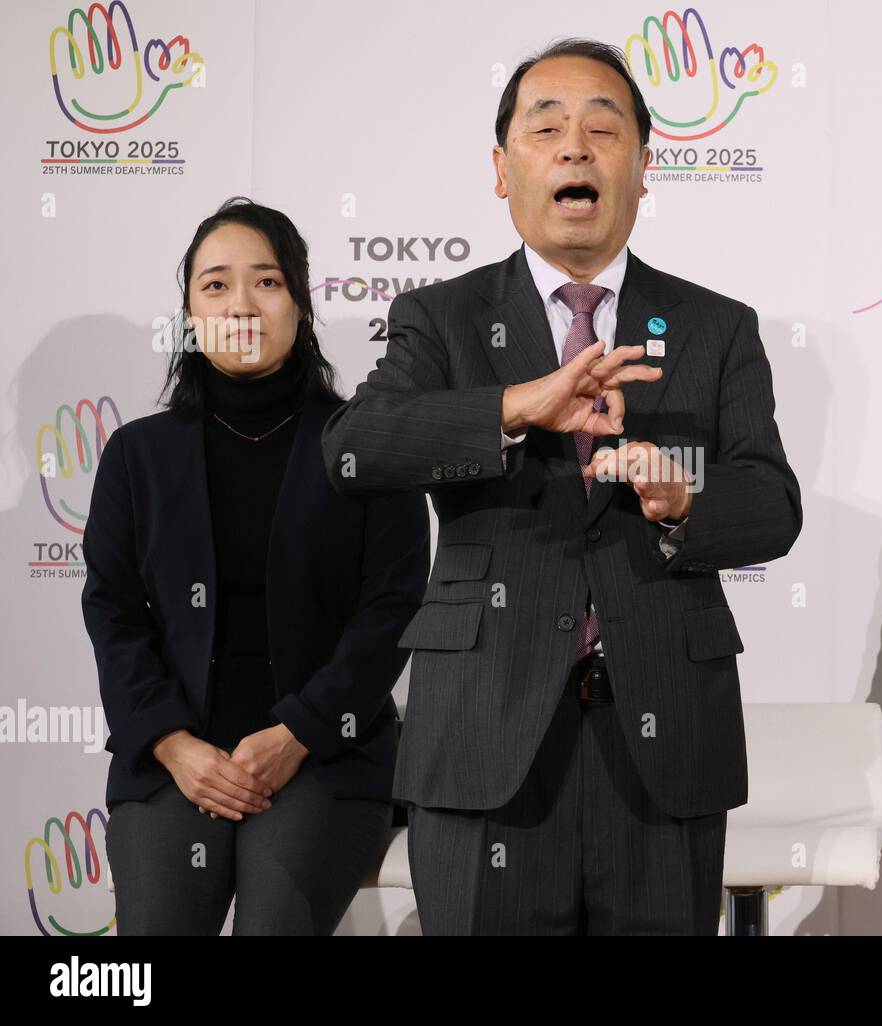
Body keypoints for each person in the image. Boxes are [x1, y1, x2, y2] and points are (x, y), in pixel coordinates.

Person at [321, 38, 801, 935]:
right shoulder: (440, 317)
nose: (575, 147)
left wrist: (681, 497)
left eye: (602, 128)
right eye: (546, 128)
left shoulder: (716, 326)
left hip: (662, 741)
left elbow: (772, 503)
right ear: (503, 170)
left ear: (644, 169)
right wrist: (515, 405)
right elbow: (357, 448)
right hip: (484, 737)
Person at [82, 197, 430, 935]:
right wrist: (174, 745)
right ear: (187, 312)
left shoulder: (366, 445)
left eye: (266, 282)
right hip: (175, 755)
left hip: (326, 754)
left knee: (276, 922)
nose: (241, 303)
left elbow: (392, 607)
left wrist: (297, 733)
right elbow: (113, 611)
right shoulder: (137, 456)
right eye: (214, 285)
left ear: (300, 303)